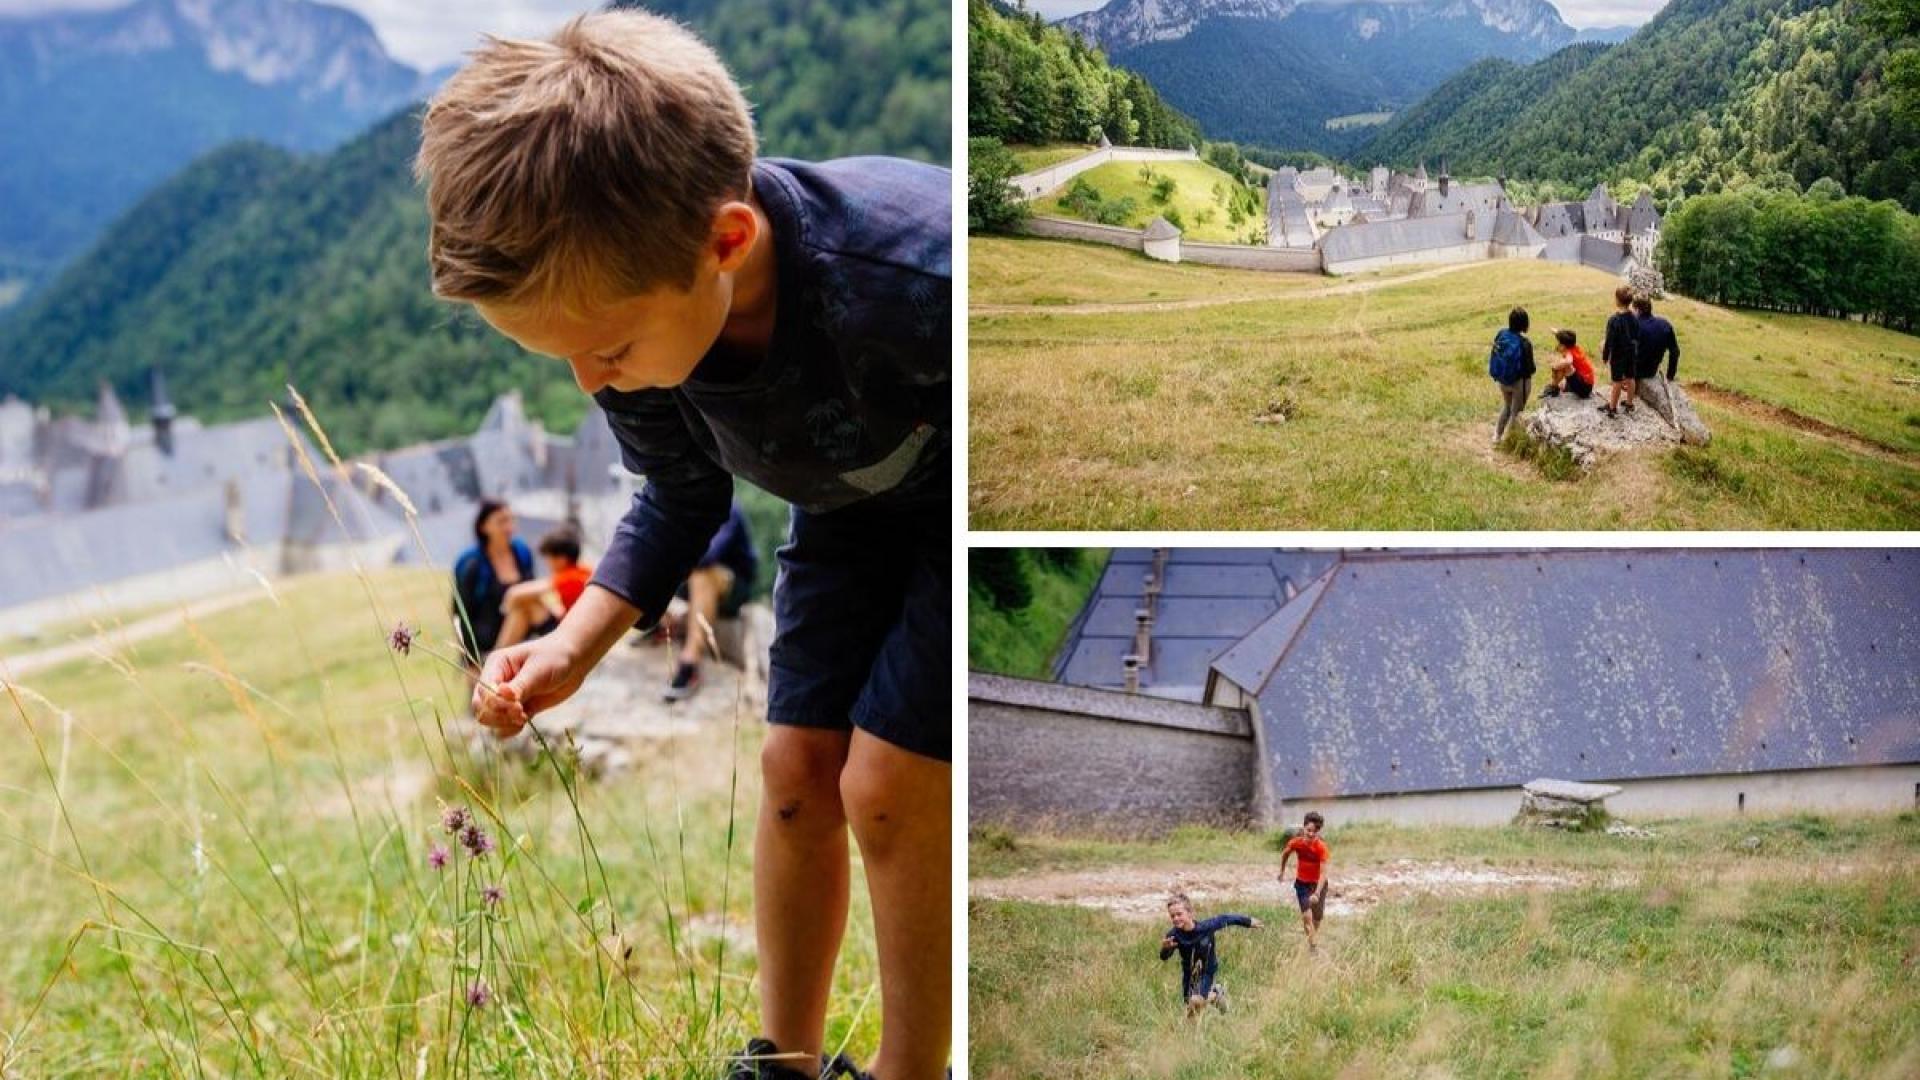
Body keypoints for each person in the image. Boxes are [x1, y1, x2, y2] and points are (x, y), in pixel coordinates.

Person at [417, 13, 951, 1080]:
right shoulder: (639, 335)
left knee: (884, 784)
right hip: (845, 517)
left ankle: (915, 1069)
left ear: (725, 242)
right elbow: (678, 491)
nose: (591, 381)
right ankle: (785, 1062)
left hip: (962, 509)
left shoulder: (909, 279)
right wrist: (572, 643)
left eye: (603, 349)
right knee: (797, 772)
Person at [651, 501, 759, 703]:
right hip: (693, 580)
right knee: (651, 561)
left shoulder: (727, 510)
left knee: (702, 573)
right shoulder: (682, 507)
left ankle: (690, 663)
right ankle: (658, 625)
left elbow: (709, 557)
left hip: (733, 586)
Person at [450, 499, 533, 666]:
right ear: (484, 526)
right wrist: (470, 660)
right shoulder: (471, 564)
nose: (509, 527)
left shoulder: (522, 553)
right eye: (501, 521)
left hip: (523, 644)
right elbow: (460, 614)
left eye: (511, 520)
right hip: (485, 652)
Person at [494, 525, 595, 651]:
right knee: (529, 606)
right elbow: (555, 602)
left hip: (571, 632)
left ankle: (498, 654)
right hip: (568, 624)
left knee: (524, 607)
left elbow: (514, 593)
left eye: (549, 558)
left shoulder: (570, 577)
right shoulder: (584, 571)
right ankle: (500, 653)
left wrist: (505, 610)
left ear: (561, 559)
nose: (547, 563)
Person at [1158, 894, 1260, 1017]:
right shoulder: (1173, 935)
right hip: (1189, 972)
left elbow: (1225, 918)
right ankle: (1215, 996)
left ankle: (1189, 1032)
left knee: (1195, 1001)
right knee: (1189, 1004)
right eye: (1172, 916)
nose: (1175, 918)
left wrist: (1248, 922)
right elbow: (1164, 957)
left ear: (1190, 913)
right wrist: (1165, 948)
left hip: (1207, 969)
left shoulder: (1205, 927)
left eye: (1179, 914)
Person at [1278, 811, 1331, 951]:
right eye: (1309, 830)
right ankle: (1313, 948)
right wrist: (1282, 871)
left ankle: (1312, 939)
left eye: (1315, 832)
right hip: (1302, 884)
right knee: (1307, 917)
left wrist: (1317, 893)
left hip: (1318, 885)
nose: (1311, 834)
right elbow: (1285, 854)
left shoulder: (1321, 847)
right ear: (1304, 828)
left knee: (1317, 919)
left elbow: (1323, 873)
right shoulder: (1296, 843)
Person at [1488, 306, 1536, 443]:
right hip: (1519, 383)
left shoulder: (1501, 333)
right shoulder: (1525, 343)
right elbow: (1530, 369)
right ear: (1524, 324)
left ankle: (1497, 436)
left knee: (1507, 407)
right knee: (1516, 412)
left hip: (1503, 381)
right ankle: (1509, 441)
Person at [1602, 285, 1642, 417]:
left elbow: (1609, 341)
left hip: (1618, 354)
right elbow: (1637, 335)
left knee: (1617, 381)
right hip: (1631, 353)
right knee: (1631, 378)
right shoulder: (1635, 317)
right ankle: (1630, 403)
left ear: (1617, 300)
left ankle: (1612, 407)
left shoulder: (1614, 320)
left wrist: (1605, 355)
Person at [1632, 296, 1680, 383]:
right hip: (1652, 370)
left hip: (1634, 371)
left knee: (1605, 345)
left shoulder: (1633, 325)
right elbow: (1675, 352)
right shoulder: (1665, 325)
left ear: (1637, 310)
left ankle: (1622, 381)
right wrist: (1670, 375)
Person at [1542, 328, 1594, 400]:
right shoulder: (1572, 346)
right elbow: (1565, 337)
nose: (1558, 345)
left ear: (1564, 345)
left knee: (1565, 365)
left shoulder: (1569, 353)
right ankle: (1555, 386)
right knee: (1562, 380)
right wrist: (1555, 332)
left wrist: (1555, 367)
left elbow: (1568, 362)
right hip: (1586, 384)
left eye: (1560, 343)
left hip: (1584, 389)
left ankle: (1553, 388)